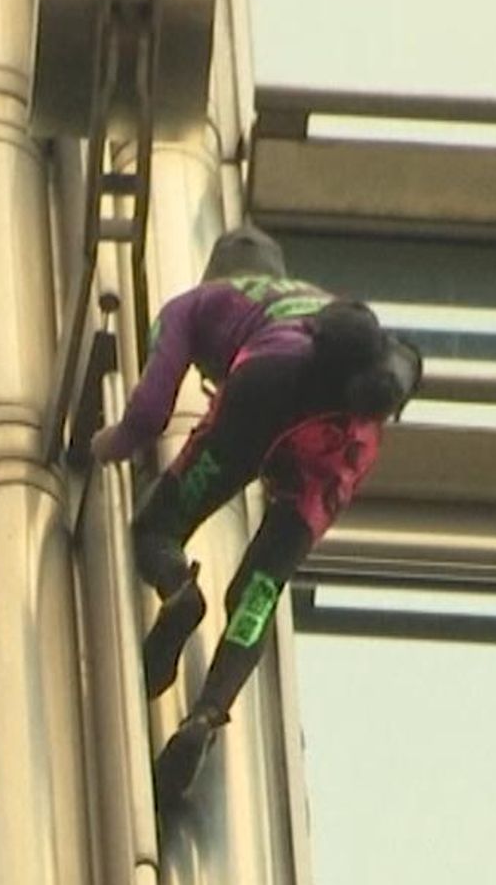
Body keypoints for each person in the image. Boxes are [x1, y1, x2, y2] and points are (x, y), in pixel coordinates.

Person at [89, 225, 422, 806]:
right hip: (348, 441)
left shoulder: (197, 303)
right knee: (260, 589)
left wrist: (99, 447)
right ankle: (207, 714)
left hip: (265, 387)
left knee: (157, 528)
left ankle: (178, 591)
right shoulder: (321, 304)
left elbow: (148, 415)